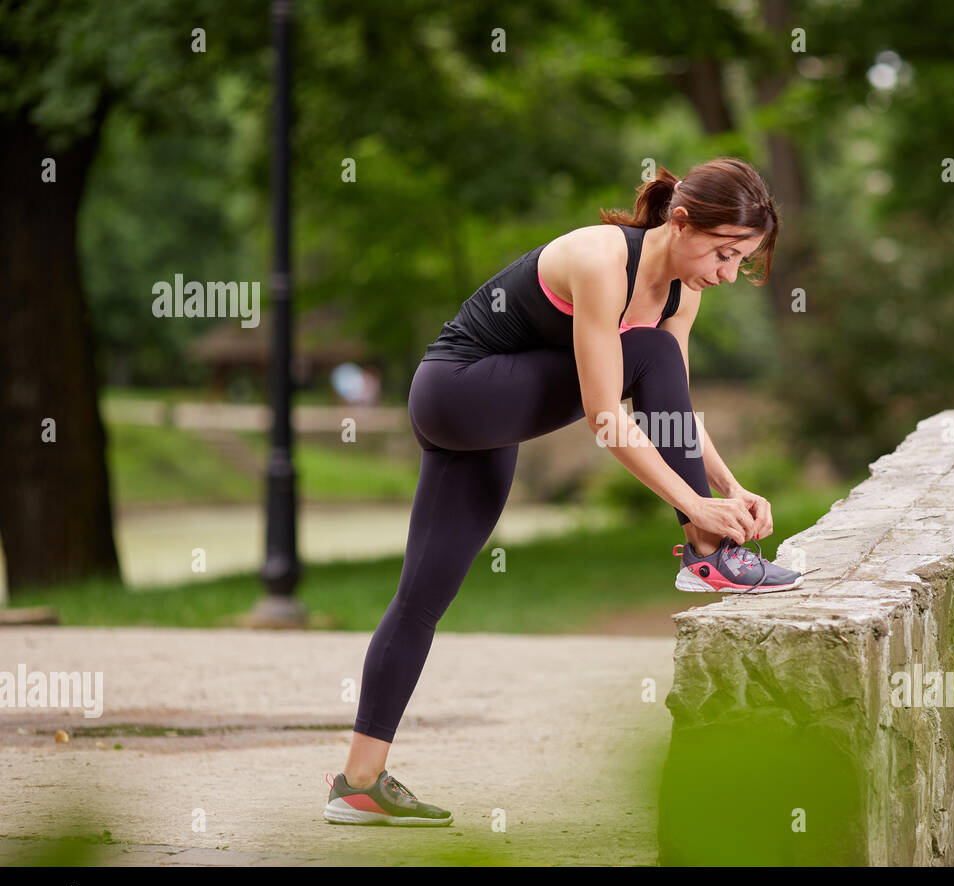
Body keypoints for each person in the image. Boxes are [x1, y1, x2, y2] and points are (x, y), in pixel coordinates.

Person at [323, 157, 805, 826]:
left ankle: (357, 783)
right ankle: (708, 553)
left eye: (741, 262)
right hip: (457, 391)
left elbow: (674, 414)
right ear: (681, 220)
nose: (727, 273)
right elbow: (607, 415)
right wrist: (698, 509)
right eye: (724, 253)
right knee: (655, 354)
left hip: (490, 422)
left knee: (421, 598)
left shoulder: (682, 293)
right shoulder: (602, 259)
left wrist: (728, 484)